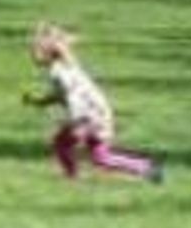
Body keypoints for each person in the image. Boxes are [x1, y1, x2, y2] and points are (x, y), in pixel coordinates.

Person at [22, 22, 164, 183]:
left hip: (90, 114)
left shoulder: (60, 72)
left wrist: (80, 124)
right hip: (93, 112)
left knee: (63, 143)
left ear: (48, 53)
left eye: (36, 51)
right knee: (100, 157)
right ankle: (146, 167)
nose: (33, 55)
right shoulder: (60, 67)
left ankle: (71, 179)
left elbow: (74, 95)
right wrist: (39, 101)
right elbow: (61, 95)